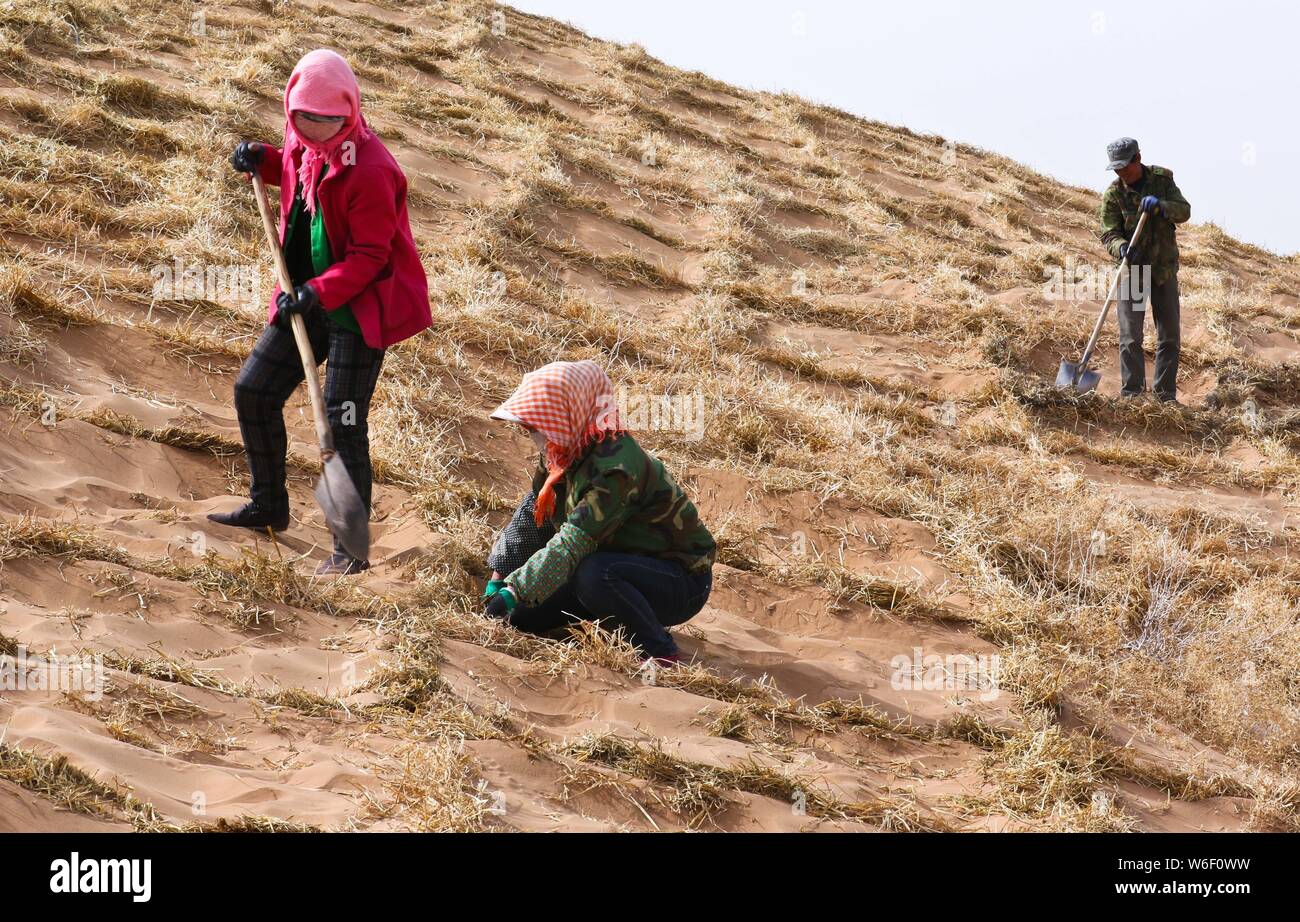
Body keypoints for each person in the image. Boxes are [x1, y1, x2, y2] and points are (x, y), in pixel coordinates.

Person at [209, 49, 430, 574]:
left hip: (360, 310)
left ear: (350, 112)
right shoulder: (300, 140)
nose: (315, 130)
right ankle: (269, 505)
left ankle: (349, 551)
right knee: (254, 391)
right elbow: (289, 169)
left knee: (342, 421)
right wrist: (259, 158)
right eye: (303, 118)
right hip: (305, 295)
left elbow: (372, 258)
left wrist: (318, 294)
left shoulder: (373, 170)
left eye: (329, 121)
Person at [483, 360, 716, 665]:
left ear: (568, 413)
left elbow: (571, 544)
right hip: (615, 562)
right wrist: (500, 576)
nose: (531, 432)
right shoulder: (562, 451)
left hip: (678, 579)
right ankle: (611, 615)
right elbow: (535, 513)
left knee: (593, 574)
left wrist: (515, 589)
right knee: (521, 618)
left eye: (535, 424)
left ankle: (660, 650)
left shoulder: (617, 470)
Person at [1099, 137, 1191, 404]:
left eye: (1125, 167)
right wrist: (1122, 247)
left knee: (1169, 336)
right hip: (1131, 273)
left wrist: (1162, 207)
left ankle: (1165, 396)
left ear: (1137, 158)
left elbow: (1184, 211)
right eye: (1116, 169)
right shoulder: (1113, 194)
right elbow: (1109, 233)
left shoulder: (1162, 180)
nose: (1121, 173)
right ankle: (1132, 396)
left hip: (1162, 270)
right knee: (1130, 337)